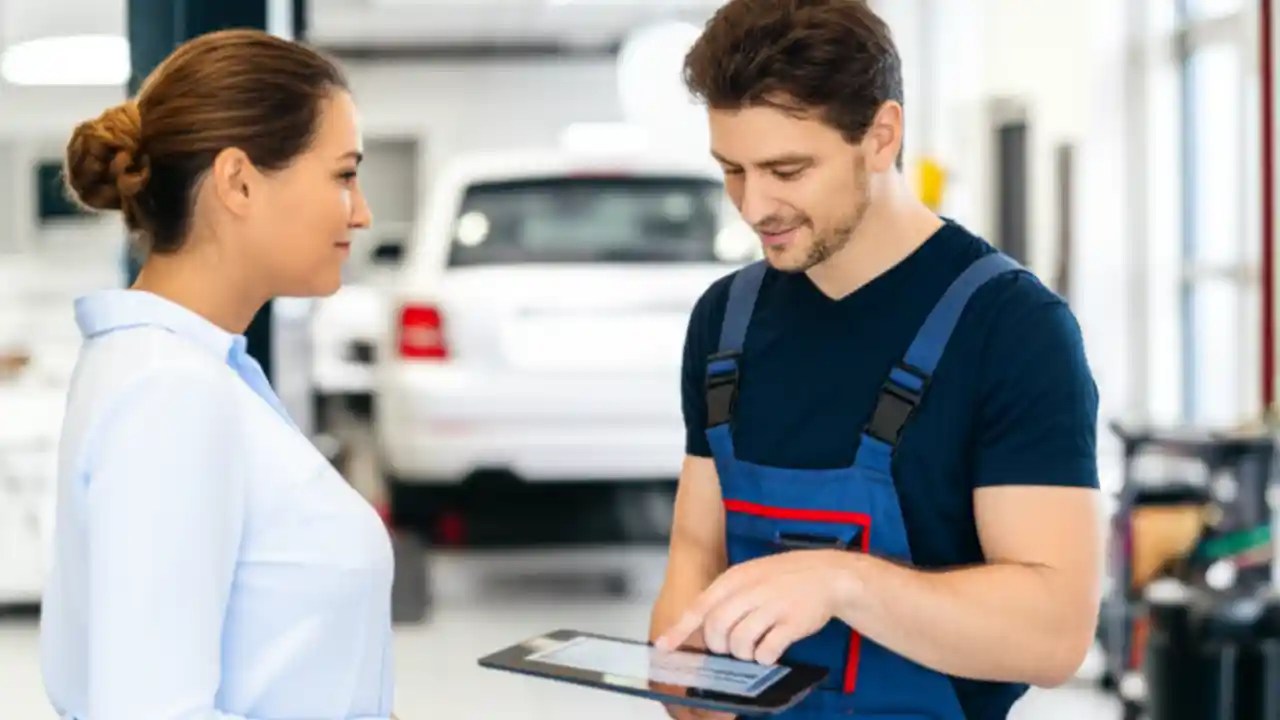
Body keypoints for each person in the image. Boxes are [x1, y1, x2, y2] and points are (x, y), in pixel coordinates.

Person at [650, 2, 1103, 719]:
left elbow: (1054, 634)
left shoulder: (1012, 328)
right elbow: (693, 555)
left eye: (787, 169)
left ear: (881, 136)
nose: (754, 204)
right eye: (732, 170)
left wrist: (842, 583)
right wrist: (684, 687)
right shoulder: (723, 323)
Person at [38, 29, 396, 720]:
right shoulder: (168, 389)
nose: (362, 210)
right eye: (343, 175)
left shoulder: (183, 369)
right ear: (238, 181)